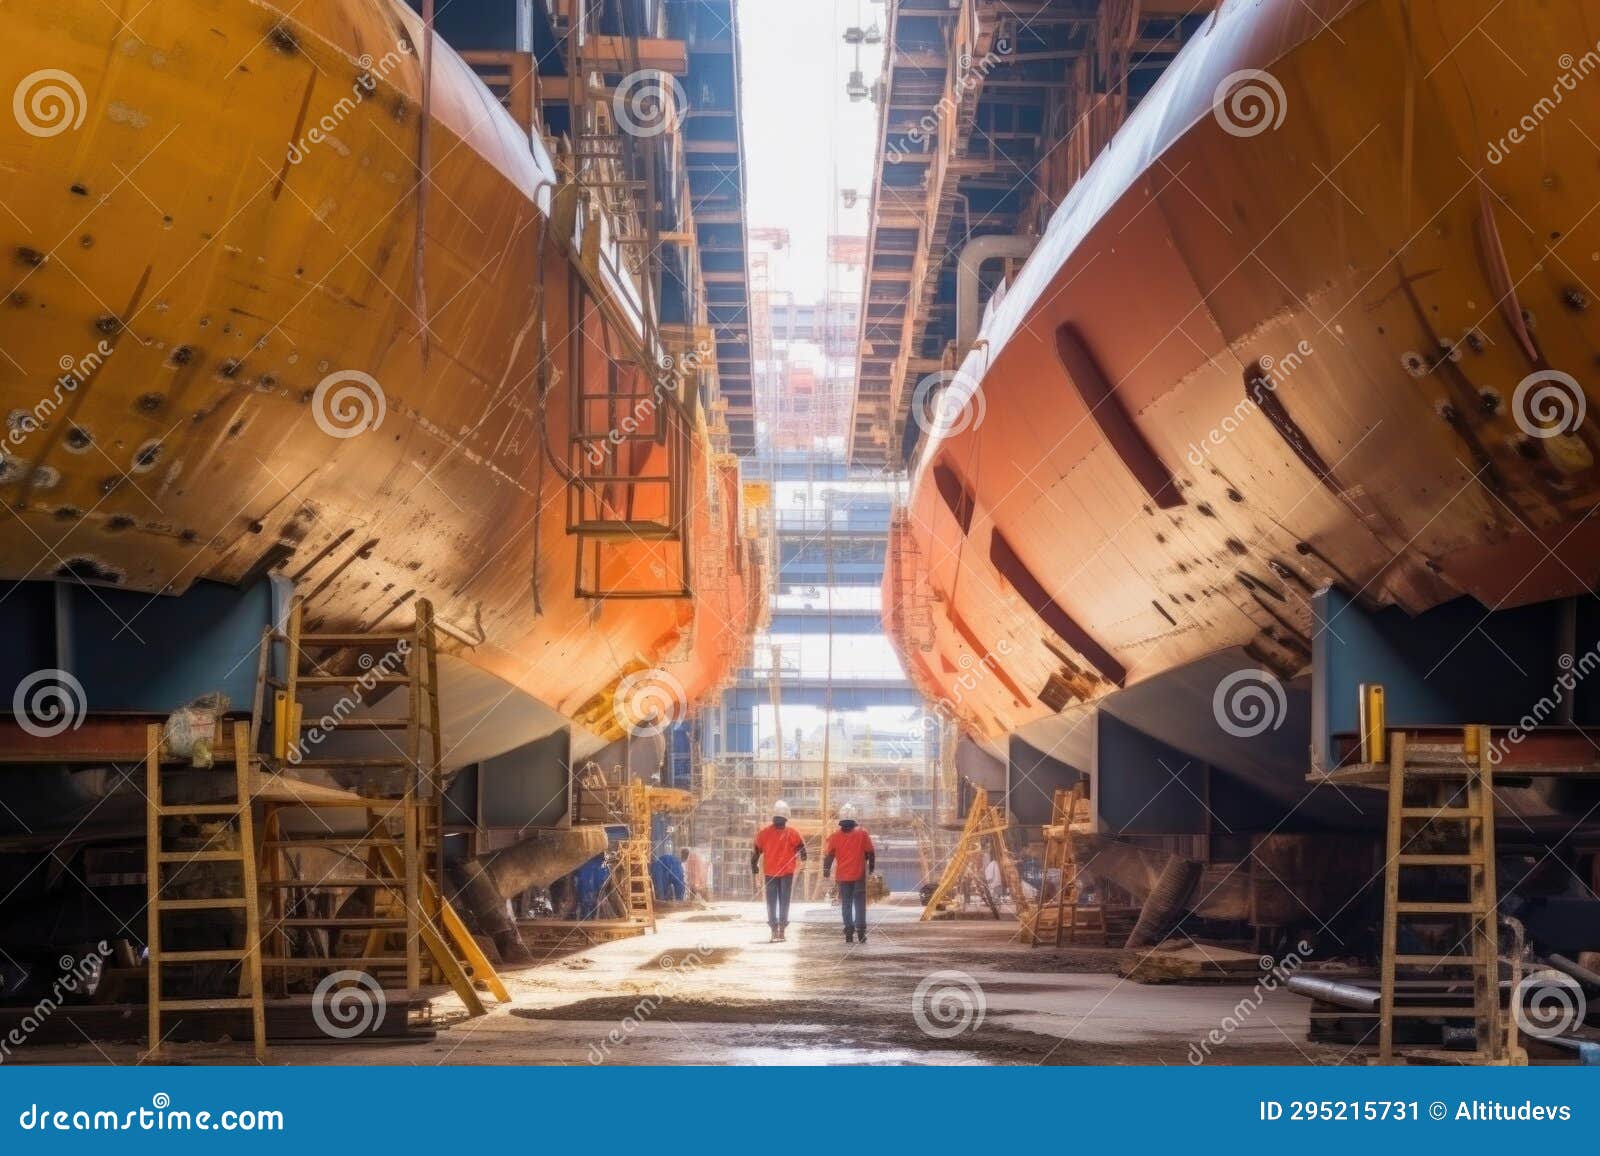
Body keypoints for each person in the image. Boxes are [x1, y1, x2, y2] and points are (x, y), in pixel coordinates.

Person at [752, 800, 806, 941]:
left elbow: (755, 853)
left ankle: (774, 931)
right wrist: (802, 862)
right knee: (784, 901)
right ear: (787, 816)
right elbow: (803, 850)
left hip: (770, 873)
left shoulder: (764, 833)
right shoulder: (793, 833)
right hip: (787, 874)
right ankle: (781, 931)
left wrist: (754, 868)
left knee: (771, 903)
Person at [822, 802, 875, 944]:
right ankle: (861, 932)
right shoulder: (862, 834)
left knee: (846, 904)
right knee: (859, 904)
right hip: (859, 876)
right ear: (854, 818)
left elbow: (829, 856)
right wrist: (871, 867)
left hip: (843, 877)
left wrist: (826, 871)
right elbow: (870, 852)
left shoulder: (835, 837)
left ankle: (849, 932)